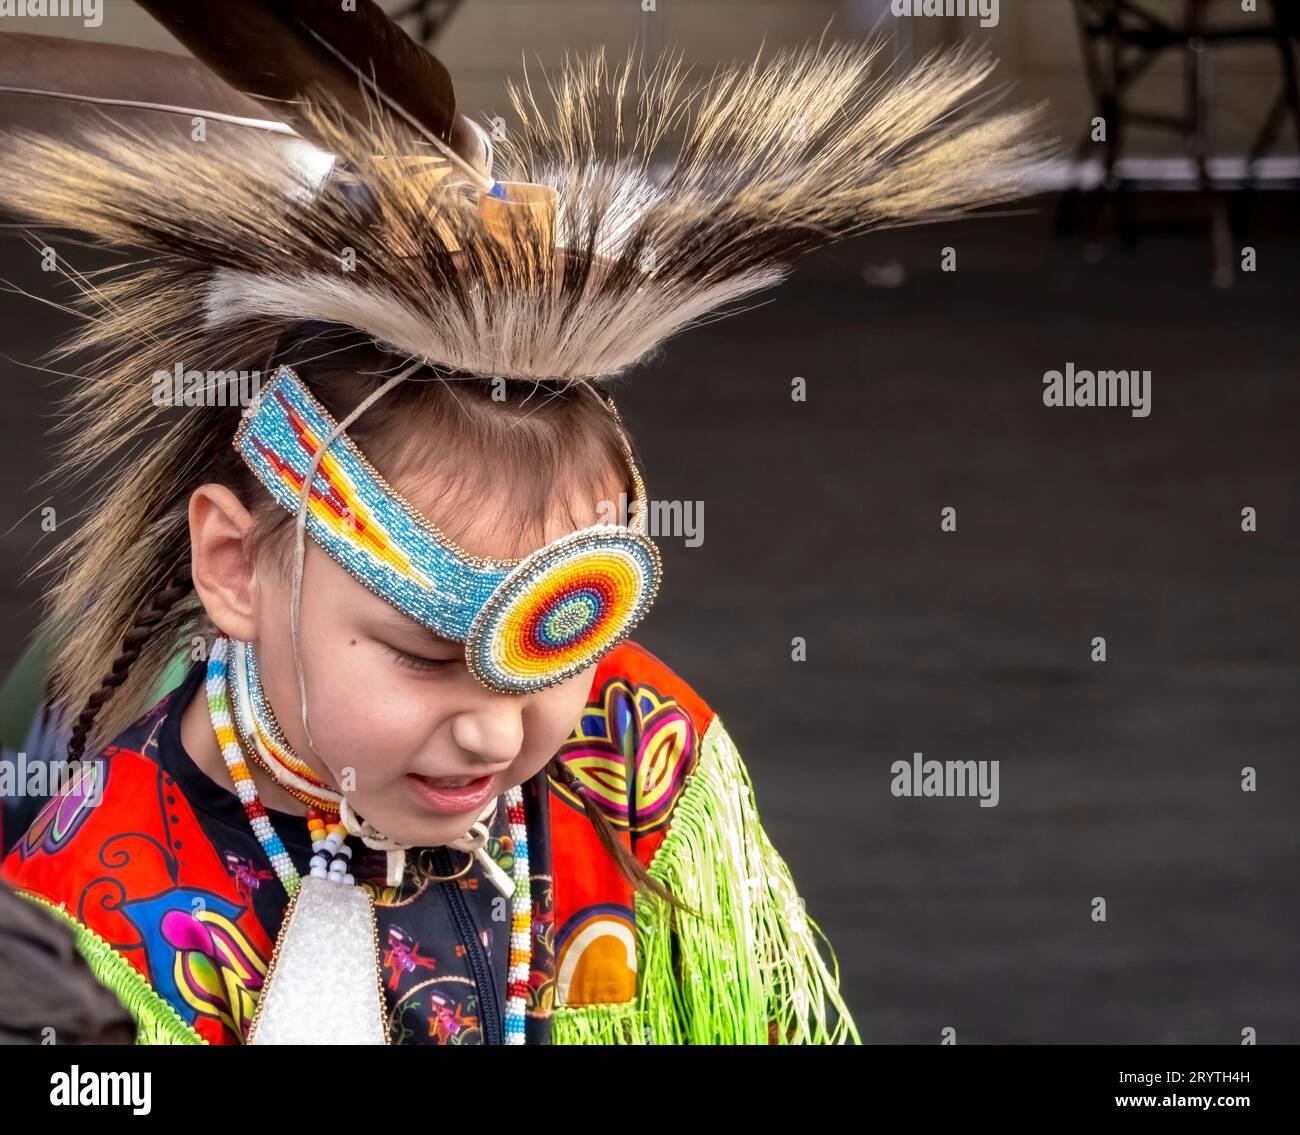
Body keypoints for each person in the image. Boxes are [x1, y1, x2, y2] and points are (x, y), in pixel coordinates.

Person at [0, 2, 1045, 1044]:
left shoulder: (631, 756)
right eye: (424, 652)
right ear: (235, 566)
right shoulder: (98, 907)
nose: (497, 729)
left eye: (560, 639)